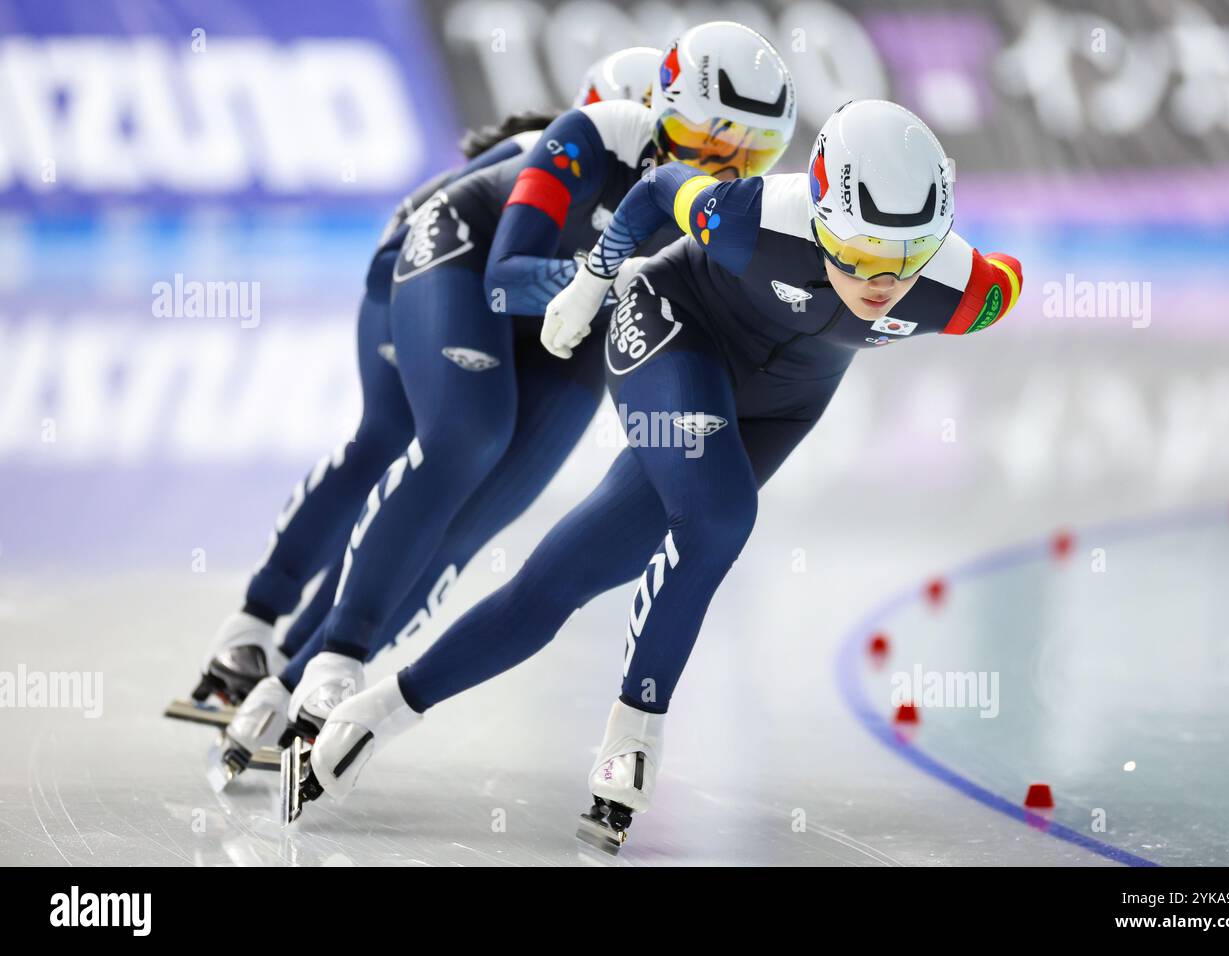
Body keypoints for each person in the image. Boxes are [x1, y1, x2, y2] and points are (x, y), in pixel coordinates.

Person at [286, 98, 1023, 848]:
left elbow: (1007, 278)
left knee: (560, 580)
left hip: (785, 404)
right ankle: (635, 732)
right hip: (672, 325)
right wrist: (588, 285)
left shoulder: (969, 293)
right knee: (721, 518)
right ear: (822, 217)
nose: (881, 282)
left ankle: (380, 711)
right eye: (858, 254)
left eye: (906, 260)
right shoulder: (752, 216)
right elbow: (651, 190)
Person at [218, 23, 799, 775]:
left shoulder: (727, 212)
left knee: (470, 527)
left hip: (568, 329)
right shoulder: (593, 133)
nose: (722, 168)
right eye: (708, 140)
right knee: (468, 436)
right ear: (661, 108)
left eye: (750, 155)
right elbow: (506, 276)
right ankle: (336, 652)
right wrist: (609, 280)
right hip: (466, 263)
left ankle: (292, 679)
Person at [193, 50, 660, 712]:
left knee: (461, 516)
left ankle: (301, 663)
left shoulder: (673, 194)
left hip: (540, 334)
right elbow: (431, 222)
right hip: (432, 288)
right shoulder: (543, 148)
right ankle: (252, 621)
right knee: (392, 439)